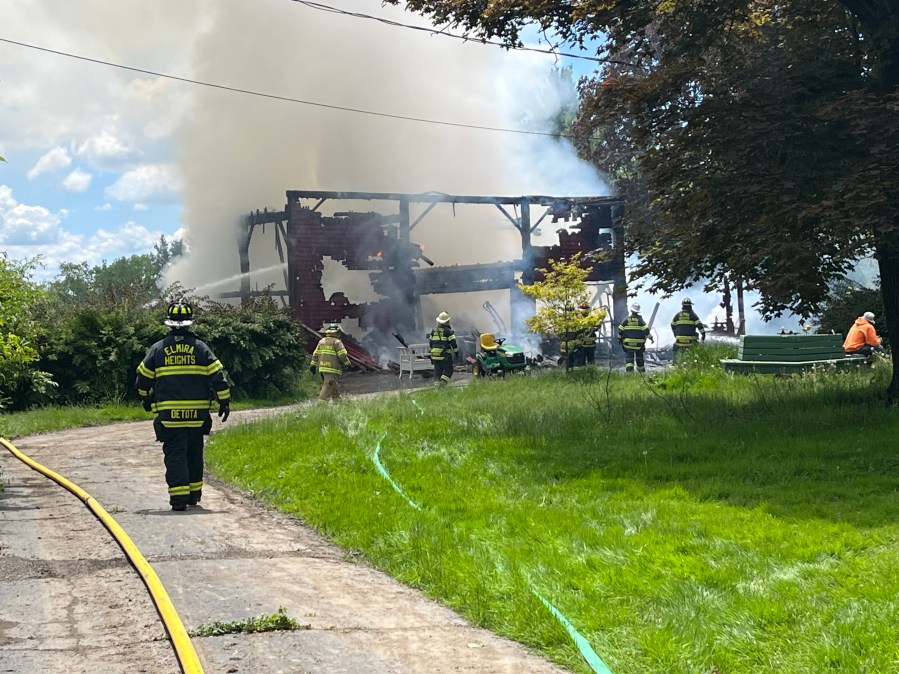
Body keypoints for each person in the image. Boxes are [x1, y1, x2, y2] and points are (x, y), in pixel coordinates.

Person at [136, 302, 231, 512]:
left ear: (169, 324)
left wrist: (145, 397)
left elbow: (142, 379)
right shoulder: (200, 347)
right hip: (197, 416)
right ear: (189, 324)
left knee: (175, 454)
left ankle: (178, 500)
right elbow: (219, 378)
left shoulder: (158, 348)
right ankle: (193, 495)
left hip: (169, 416)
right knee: (194, 453)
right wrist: (224, 401)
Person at [311, 324, 352, 401]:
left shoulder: (322, 341)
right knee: (328, 385)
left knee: (333, 384)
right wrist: (348, 364)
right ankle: (321, 404)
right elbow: (342, 355)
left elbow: (315, 354)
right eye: (339, 333)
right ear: (336, 333)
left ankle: (338, 402)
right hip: (332, 368)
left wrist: (313, 365)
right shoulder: (337, 342)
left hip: (322, 367)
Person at [618, 304, 653, 373]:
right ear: (638, 311)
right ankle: (641, 371)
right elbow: (646, 330)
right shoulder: (640, 320)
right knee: (639, 356)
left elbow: (620, 330)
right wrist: (651, 338)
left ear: (631, 310)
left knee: (629, 357)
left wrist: (620, 339)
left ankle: (629, 370)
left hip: (628, 344)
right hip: (639, 344)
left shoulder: (626, 319)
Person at [428, 311, 459, 386]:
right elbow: (453, 344)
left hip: (434, 355)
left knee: (438, 371)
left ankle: (437, 388)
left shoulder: (433, 331)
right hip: (444, 355)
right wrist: (456, 354)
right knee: (449, 370)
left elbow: (430, 343)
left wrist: (431, 354)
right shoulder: (448, 331)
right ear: (448, 321)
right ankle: (442, 385)